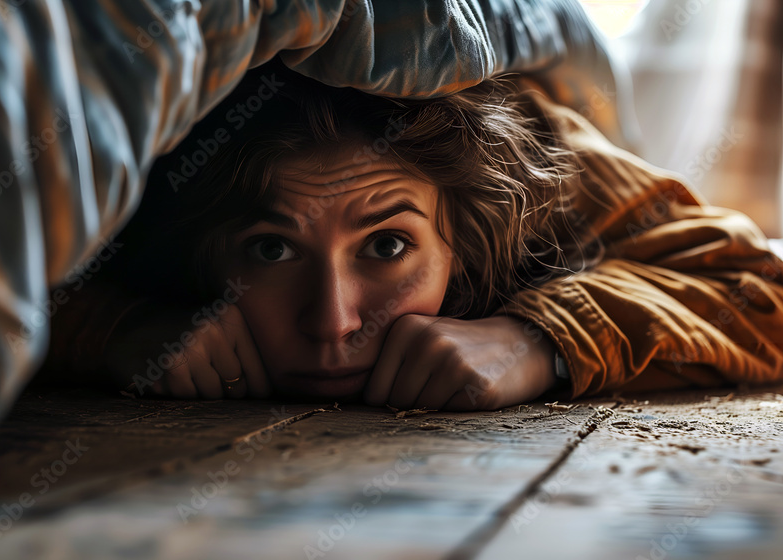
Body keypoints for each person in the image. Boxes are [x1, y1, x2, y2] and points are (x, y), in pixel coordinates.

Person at [42, 63, 783, 412]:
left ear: (469, 233)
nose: (332, 322)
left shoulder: (535, 162)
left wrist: (538, 340)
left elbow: (759, 287)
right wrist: (115, 326)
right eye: (271, 249)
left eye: (387, 246)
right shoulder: (146, 173)